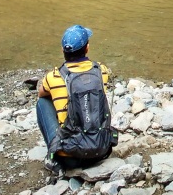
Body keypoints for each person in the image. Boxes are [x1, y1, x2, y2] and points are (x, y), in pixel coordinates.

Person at [36, 25, 115, 176]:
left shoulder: (53, 77)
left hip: (70, 159)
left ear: (62, 51)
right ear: (87, 49)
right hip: (102, 150)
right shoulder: (101, 71)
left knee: (43, 103)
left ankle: (53, 159)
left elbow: (41, 94)